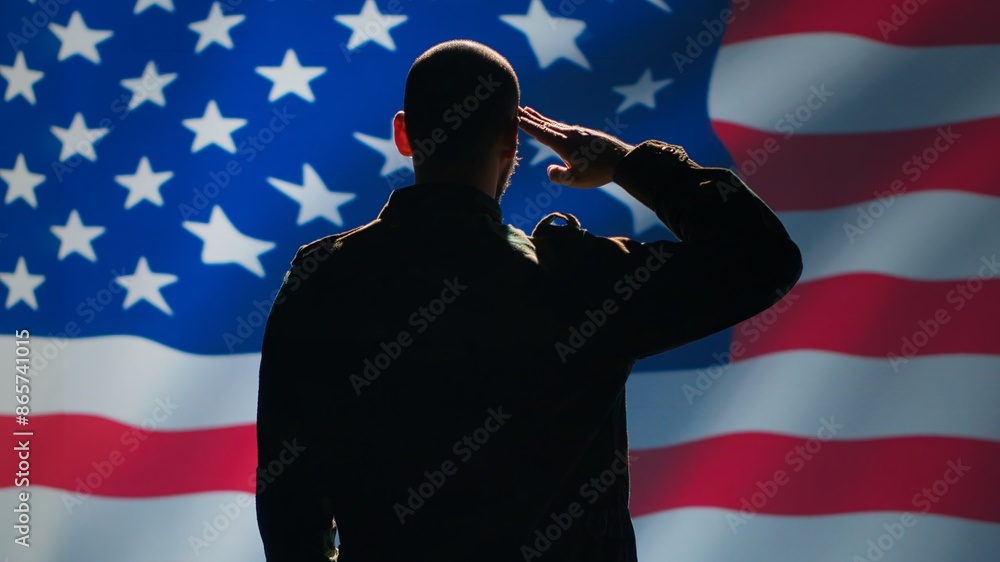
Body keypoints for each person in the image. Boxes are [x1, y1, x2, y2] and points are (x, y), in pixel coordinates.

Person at [256, 39, 801, 562]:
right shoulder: (576, 281)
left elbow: (289, 504)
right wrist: (630, 164)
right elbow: (762, 259)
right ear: (512, 144)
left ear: (403, 134)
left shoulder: (322, 279)